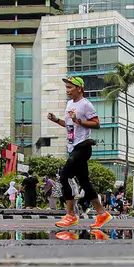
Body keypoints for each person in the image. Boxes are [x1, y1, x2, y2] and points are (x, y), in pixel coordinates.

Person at [48, 77, 112, 229]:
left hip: (83, 147)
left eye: (70, 87)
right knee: (84, 182)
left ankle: (70, 215)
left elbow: (96, 124)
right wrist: (57, 120)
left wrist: (79, 121)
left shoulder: (86, 104)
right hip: (73, 147)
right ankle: (102, 214)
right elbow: (70, 125)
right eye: (67, 87)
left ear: (79, 89)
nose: (67, 90)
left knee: (64, 176)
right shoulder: (70, 104)